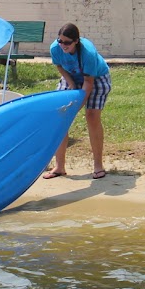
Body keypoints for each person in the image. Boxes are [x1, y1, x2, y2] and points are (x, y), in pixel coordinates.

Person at [43, 22, 112, 180]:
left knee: (92, 116)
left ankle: (98, 166)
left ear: (76, 41)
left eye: (67, 42)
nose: (63, 45)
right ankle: (59, 167)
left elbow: (88, 83)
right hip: (71, 76)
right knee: (61, 118)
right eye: (60, 41)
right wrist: (72, 84)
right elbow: (59, 66)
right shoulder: (55, 48)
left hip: (96, 77)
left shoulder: (87, 53)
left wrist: (75, 108)